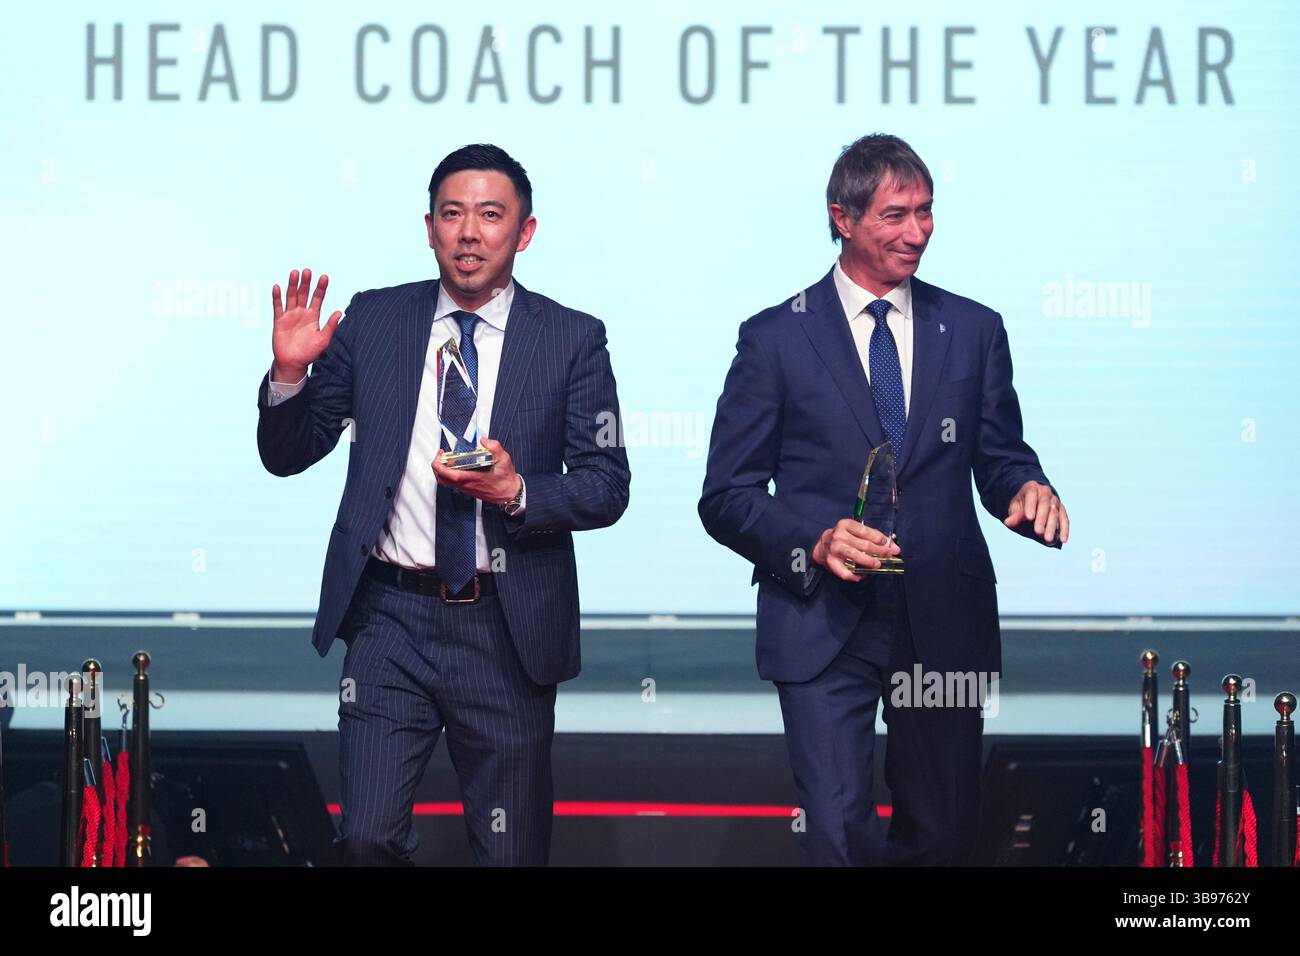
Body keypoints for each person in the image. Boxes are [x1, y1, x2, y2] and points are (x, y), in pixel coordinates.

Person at [256, 144, 630, 866]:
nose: (468, 232)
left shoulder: (571, 338)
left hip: (506, 623)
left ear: (524, 232)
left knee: (509, 850)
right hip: (390, 618)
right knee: (364, 836)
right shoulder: (374, 321)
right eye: (452, 214)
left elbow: (606, 484)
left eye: (490, 215)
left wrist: (517, 491)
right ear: (428, 228)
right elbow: (288, 453)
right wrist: (288, 375)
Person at [698, 133, 1067, 866]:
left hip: (944, 619)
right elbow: (727, 496)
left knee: (945, 834)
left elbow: (999, 459)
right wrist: (817, 539)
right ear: (843, 217)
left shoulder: (972, 329)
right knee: (837, 834)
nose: (918, 231)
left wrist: (1027, 486)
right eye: (897, 214)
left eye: (927, 211)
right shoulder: (775, 340)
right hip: (822, 622)